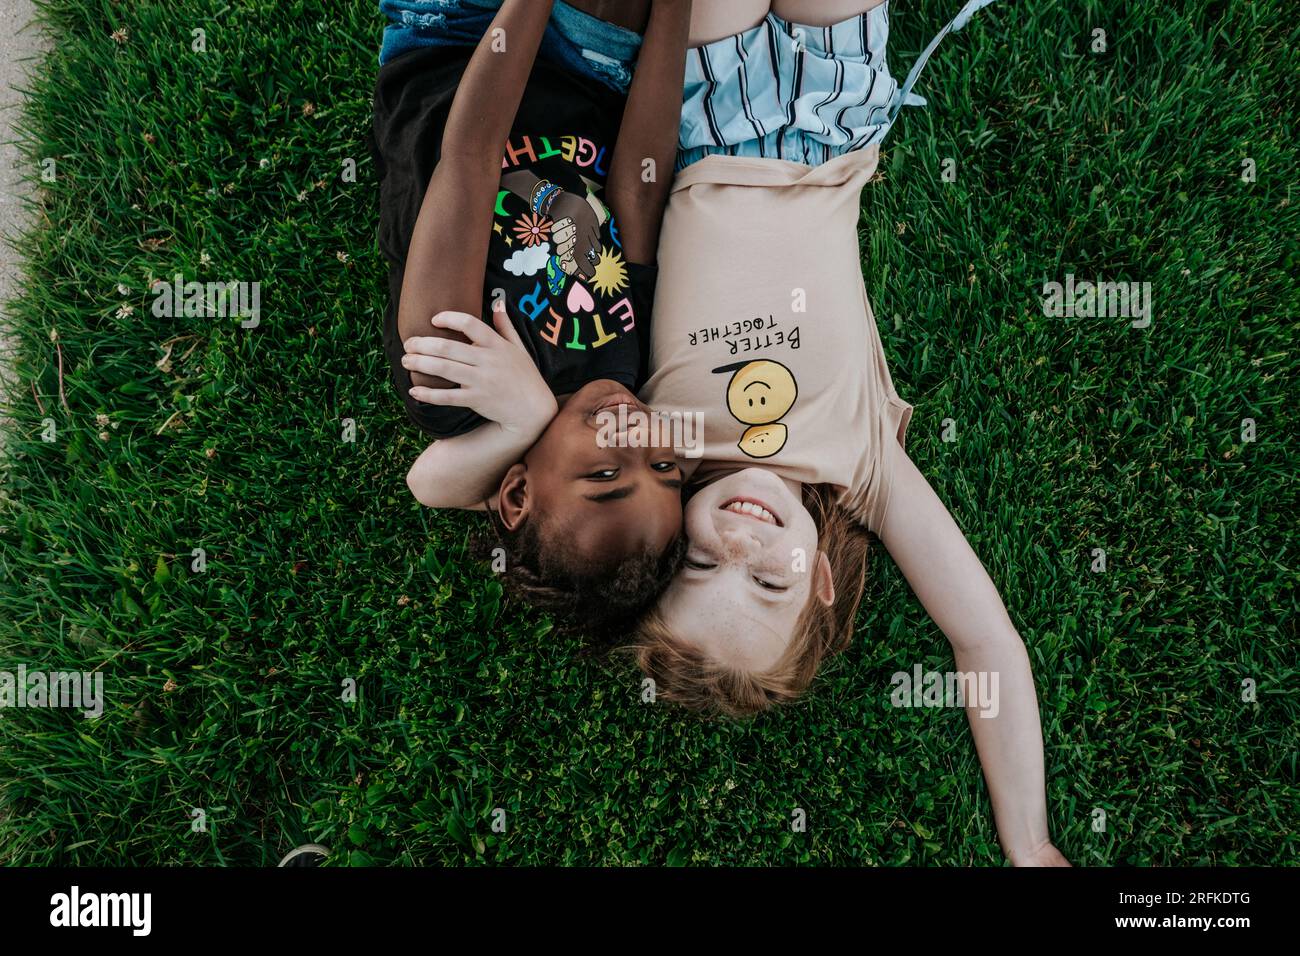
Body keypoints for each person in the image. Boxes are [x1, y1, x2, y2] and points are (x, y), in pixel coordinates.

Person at [630, 0, 1069, 865]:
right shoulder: (865, 468)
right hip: (832, 123)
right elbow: (983, 639)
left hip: (703, 119)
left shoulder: (659, 443)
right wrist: (1030, 844)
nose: (740, 542)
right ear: (821, 580)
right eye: (766, 584)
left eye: (700, 560)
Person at [371, 0, 694, 634]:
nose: (635, 438)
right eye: (663, 468)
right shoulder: (628, 364)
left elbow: (470, 154)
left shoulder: (450, 385)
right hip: (589, 68)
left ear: (519, 496)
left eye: (605, 473)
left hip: (447, 43)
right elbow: (638, 187)